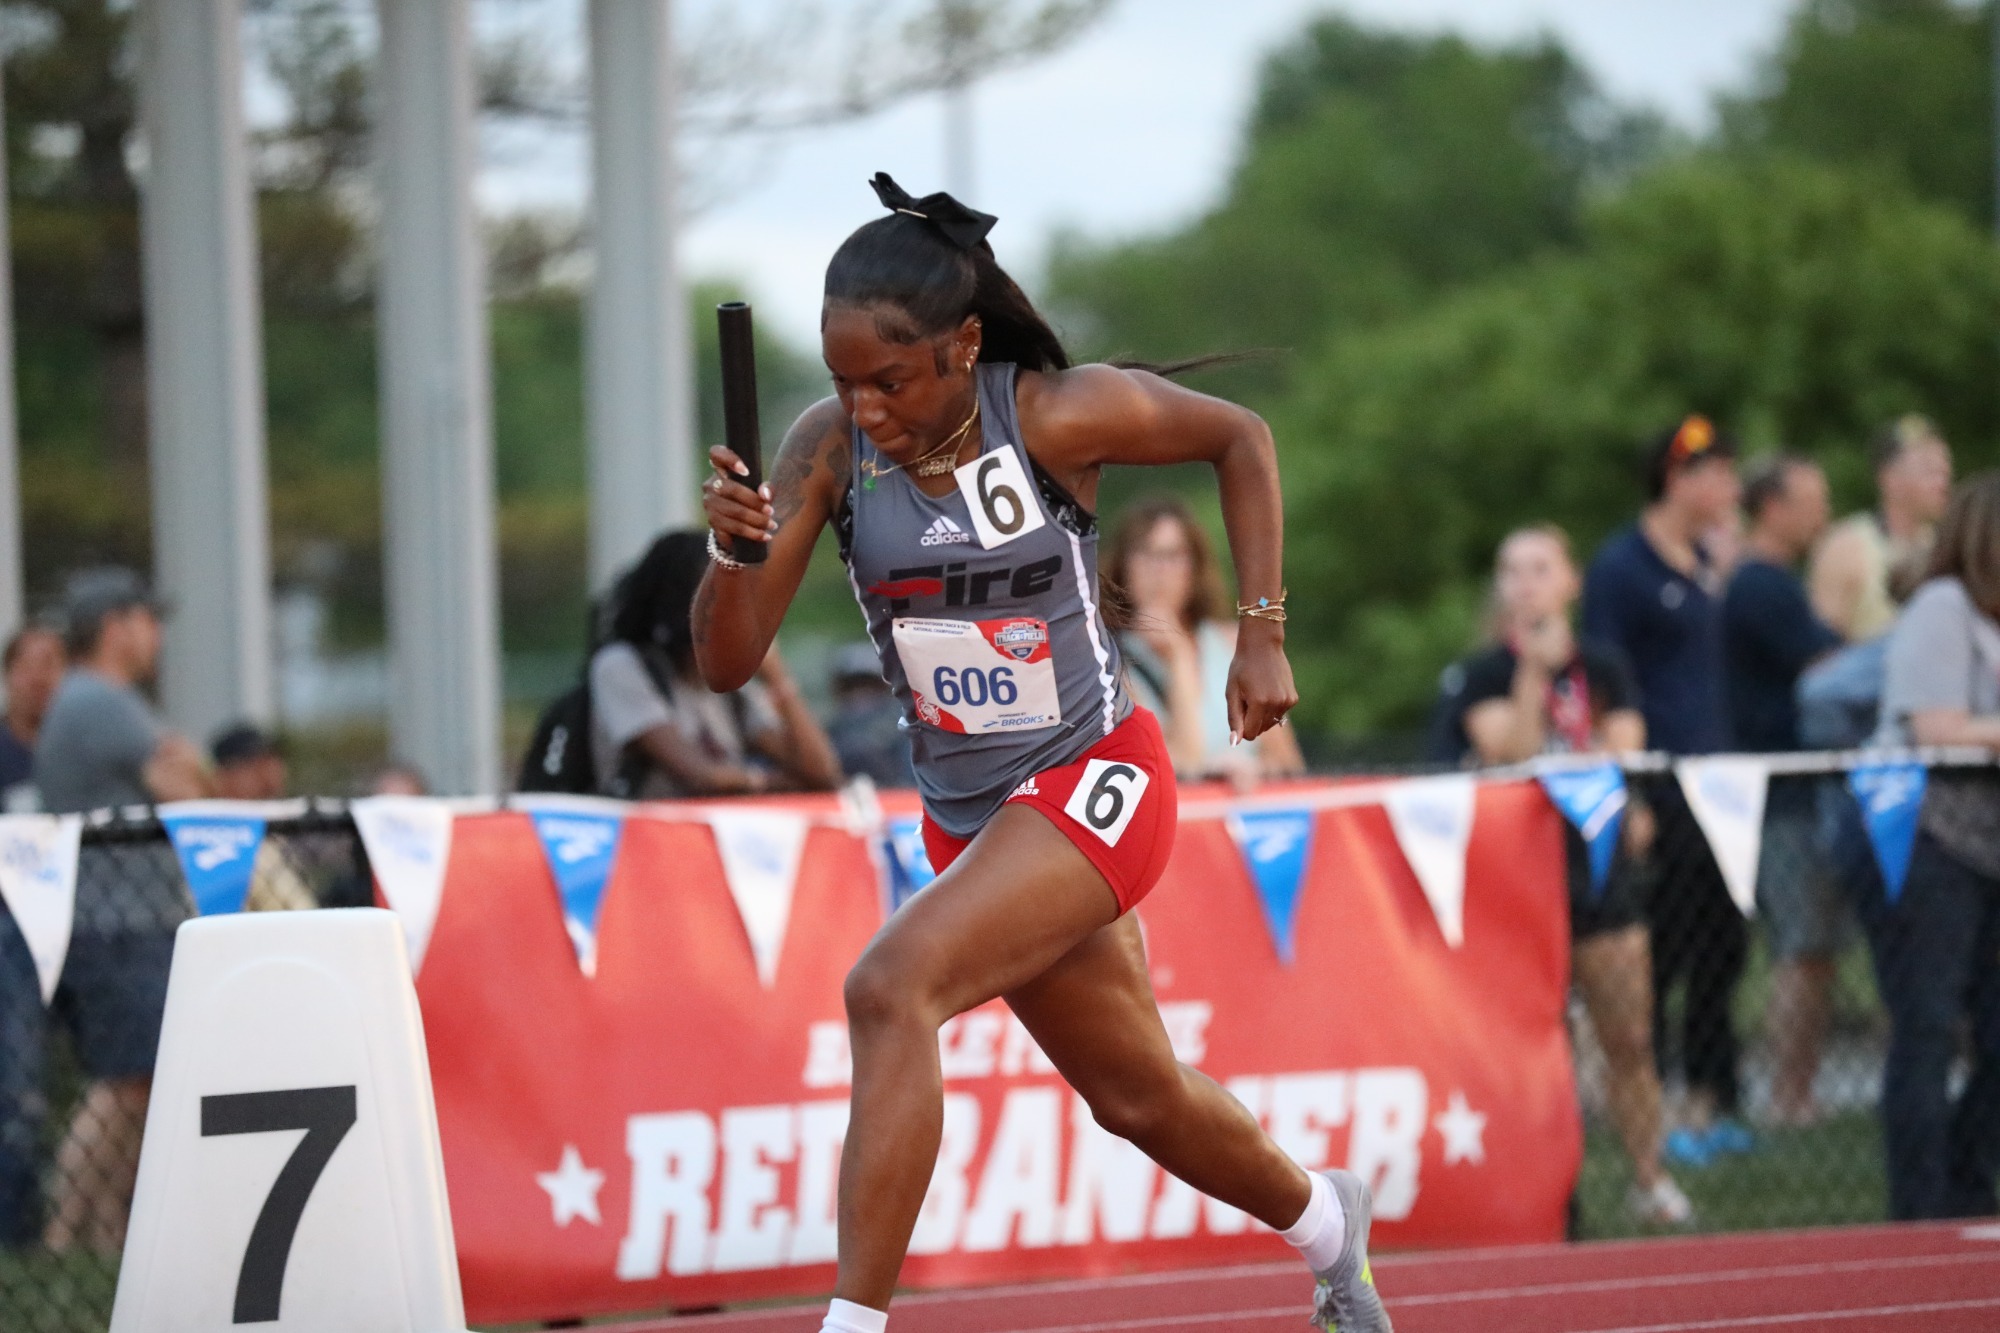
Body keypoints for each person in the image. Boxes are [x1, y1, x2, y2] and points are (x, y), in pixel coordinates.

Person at [693, 175, 1388, 1333]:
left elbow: (1240, 437)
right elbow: (725, 663)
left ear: (964, 347)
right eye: (842, 379)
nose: (863, 408)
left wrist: (1260, 627)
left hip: (1094, 776)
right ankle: (1325, 1221)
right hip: (971, 817)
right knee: (1137, 1096)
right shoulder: (825, 452)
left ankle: (849, 1327)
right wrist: (730, 554)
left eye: (891, 381)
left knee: (887, 986)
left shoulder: (1056, 413)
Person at [1432, 525, 1690, 1227]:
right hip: (1517, 884)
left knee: (1629, 1034)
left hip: (1599, 872)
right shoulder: (1482, 674)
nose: (1526, 583)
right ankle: (1545, 1188)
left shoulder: (1605, 666)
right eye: (1512, 570)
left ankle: (1649, 1174)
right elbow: (1510, 748)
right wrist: (1532, 675)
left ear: (1569, 582)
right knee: (1536, 1045)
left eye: (1540, 568)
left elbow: (1624, 747)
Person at [1582, 415, 1753, 1168]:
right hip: (1663, 783)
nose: (1729, 487)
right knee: (1669, 948)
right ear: (1677, 478)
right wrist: (1635, 794)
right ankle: (1654, 1108)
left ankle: (1710, 1098)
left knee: (1726, 940)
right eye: (1715, 473)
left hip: (1723, 785)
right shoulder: (1624, 566)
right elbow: (1606, 679)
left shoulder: (1710, 562)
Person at [28, 568, 211, 1254]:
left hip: (122, 918)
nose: (156, 634)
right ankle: (59, 1236)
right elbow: (186, 781)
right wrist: (188, 766)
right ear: (114, 626)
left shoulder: (92, 700)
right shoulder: (100, 701)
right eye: (146, 618)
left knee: (143, 1077)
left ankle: (103, 1234)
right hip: (116, 922)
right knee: (129, 1079)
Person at [1864, 471, 2000, 1220]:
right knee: (1928, 1020)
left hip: (1991, 847)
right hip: (1927, 837)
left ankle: (1970, 1179)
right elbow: (1935, 727)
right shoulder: (1942, 608)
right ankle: (1918, 1206)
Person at [1723, 456, 1845, 1128]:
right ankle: (1786, 1096)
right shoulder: (1761, 585)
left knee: (1815, 946)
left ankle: (1799, 1091)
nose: (1822, 512)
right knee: (1801, 944)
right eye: (1812, 498)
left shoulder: (1775, 583)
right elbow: (1824, 659)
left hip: (1796, 789)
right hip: (1780, 794)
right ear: (1773, 506)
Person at [589, 529, 842, 799]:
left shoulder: (734, 691)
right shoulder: (621, 667)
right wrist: (771, 782)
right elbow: (703, 776)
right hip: (646, 835)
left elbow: (823, 773)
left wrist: (777, 677)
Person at [1102, 495, 1306, 784]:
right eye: (1146, 554)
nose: (1160, 571)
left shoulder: (1233, 643)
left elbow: (1289, 762)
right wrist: (1178, 657)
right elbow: (1184, 762)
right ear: (1123, 565)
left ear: (1194, 568)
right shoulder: (1107, 662)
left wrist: (1253, 770)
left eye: (1173, 556)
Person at [1809, 415, 1953, 643]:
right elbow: (1821, 649)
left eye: (1945, 472)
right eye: (1930, 471)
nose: (1942, 482)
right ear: (1890, 479)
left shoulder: (1945, 546)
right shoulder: (1846, 546)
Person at [208, 722, 316, 913]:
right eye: (254, 763)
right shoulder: (216, 839)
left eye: (271, 759)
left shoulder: (279, 831)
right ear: (224, 775)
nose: (269, 771)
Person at [825, 642, 916, 788]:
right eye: (851, 687)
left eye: (870, 686)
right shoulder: (828, 736)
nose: (860, 694)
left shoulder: (910, 738)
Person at [0, 625, 65, 811]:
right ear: (7, 675)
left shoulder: (80, 749)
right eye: (26, 666)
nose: (38, 678)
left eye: (48, 664)